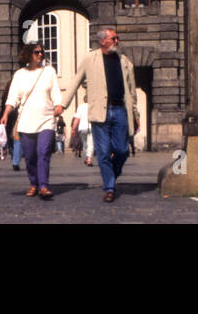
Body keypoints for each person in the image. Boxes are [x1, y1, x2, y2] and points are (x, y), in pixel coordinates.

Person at [57, 27, 138, 203]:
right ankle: (109, 187)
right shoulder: (90, 59)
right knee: (103, 153)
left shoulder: (124, 61)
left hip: (120, 110)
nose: (117, 41)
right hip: (99, 111)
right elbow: (75, 81)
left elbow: (132, 92)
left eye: (117, 38)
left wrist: (135, 114)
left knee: (122, 150)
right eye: (114, 38)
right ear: (103, 41)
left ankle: (112, 176)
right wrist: (63, 104)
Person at [0, 42, 63, 200]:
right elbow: (12, 98)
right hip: (26, 121)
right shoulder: (20, 74)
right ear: (28, 54)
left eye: (42, 52)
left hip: (46, 119)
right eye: (36, 52)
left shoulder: (49, 71)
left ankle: (43, 186)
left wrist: (59, 105)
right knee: (29, 157)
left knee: (43, 153)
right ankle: (34, 183)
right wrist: (6, 113)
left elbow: (55, 91)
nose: (40, 54)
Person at [0, 76, 22, 171]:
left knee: (10, 138)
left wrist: (2, 116)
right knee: (17, 138)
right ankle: (15, 161)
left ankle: (14, 158)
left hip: (7, 115)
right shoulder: (19, 88)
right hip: (17, 115)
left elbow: (3, 104)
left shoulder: (7, 90)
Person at [71, 86, 94, 166]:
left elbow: (76, 119)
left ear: (84, 100)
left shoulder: (80, 106)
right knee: (91, 143)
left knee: (85, 144)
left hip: (82, 127)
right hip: (92, 127)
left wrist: (73, 129)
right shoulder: (92, 106)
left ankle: (86, 158)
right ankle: (89, 159)